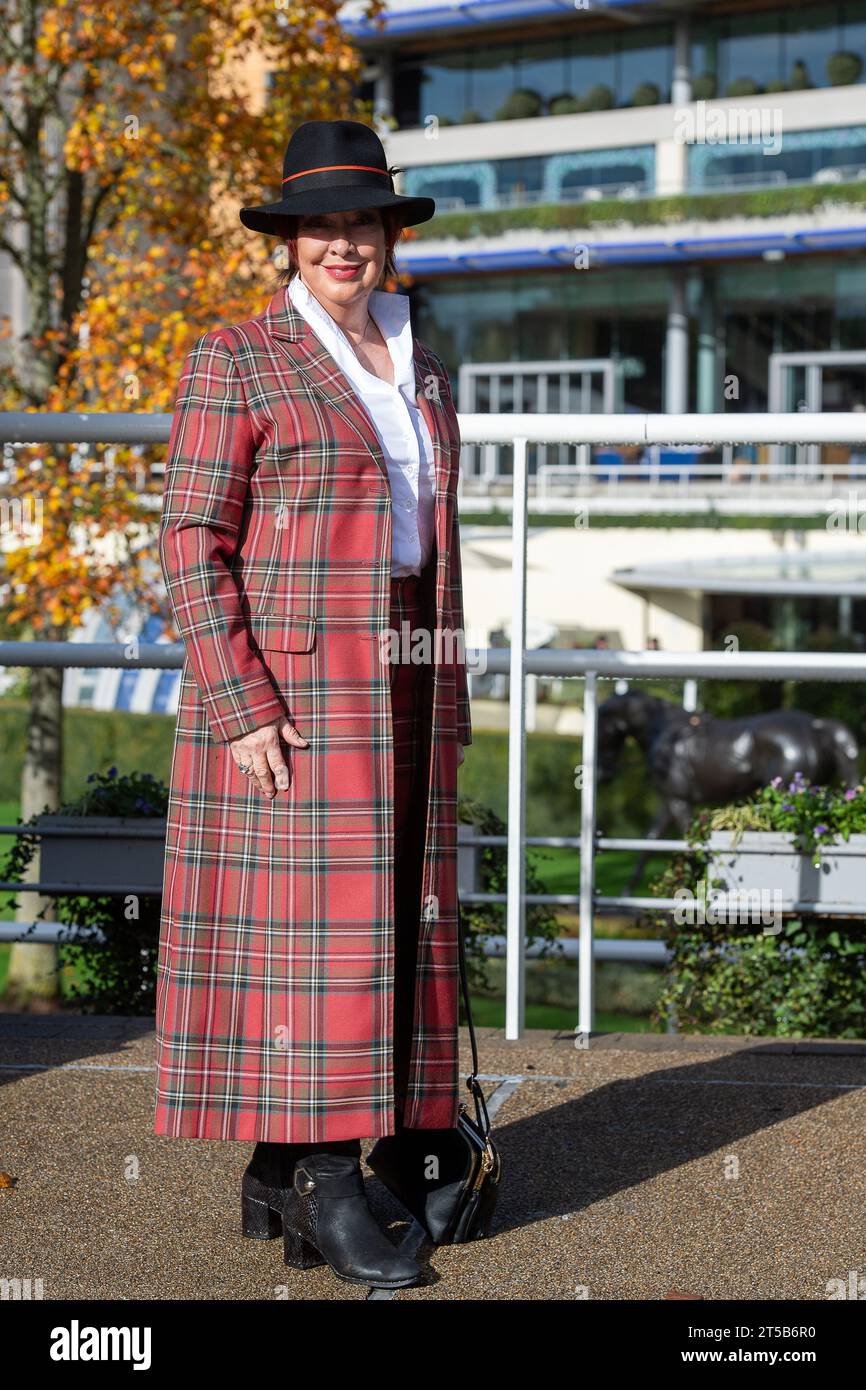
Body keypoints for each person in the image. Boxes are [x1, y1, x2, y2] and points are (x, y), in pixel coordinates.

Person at [153, 120, 472, 1290]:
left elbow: (432, 543)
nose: (345, 241)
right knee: (313, 945)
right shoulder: (234, 356)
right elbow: (191, 541)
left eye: (364, 220)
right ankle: (321, 1173)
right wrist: (239, 699)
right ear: (288, 240)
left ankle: (293, 1162)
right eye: (321, 223)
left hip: (404, 668)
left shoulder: (422, 366)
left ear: (389, 233)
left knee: (393, 924)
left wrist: (446, 695)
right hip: (292, 684)